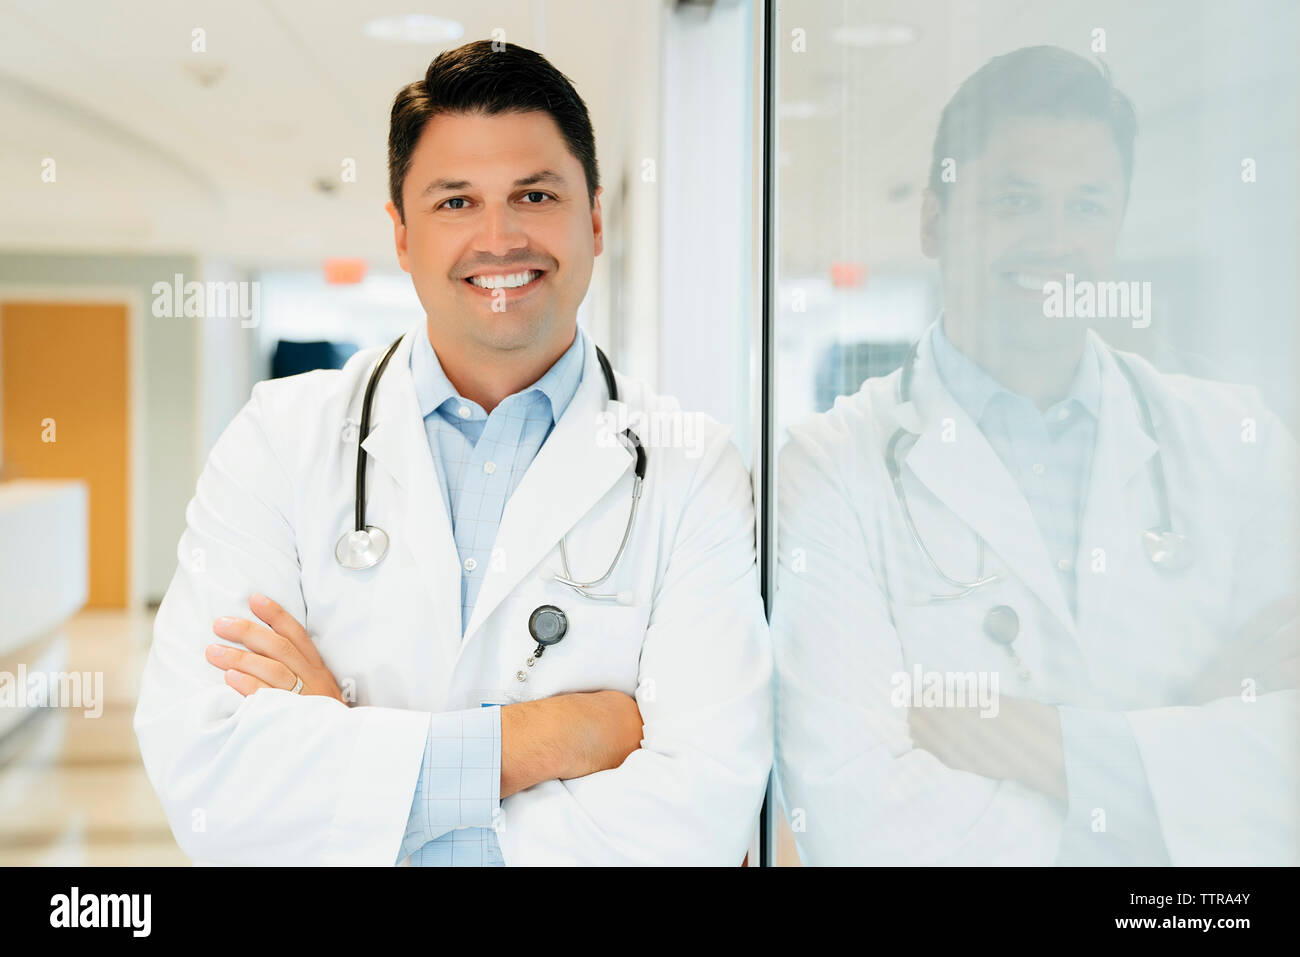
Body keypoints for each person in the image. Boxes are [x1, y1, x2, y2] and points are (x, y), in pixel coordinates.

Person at [134, 40, 772, 866]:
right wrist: (543, 740)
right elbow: (213, 779)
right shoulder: (279, 439)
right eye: (455, 202)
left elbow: (702, 814)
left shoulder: (692, 466)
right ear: (401, 235)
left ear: (596, 218)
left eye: (535, 194)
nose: (499, 237)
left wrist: (358, 764)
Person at [772, 46, 1298, 865]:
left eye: (1086, 207)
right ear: (935, 221)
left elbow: (1289, 782)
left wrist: (1047, 744)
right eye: (1015, 201)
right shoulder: (831, 467)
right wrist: (1183, 771)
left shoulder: (1235, 441)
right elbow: (857, 820)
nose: (1054, 241)